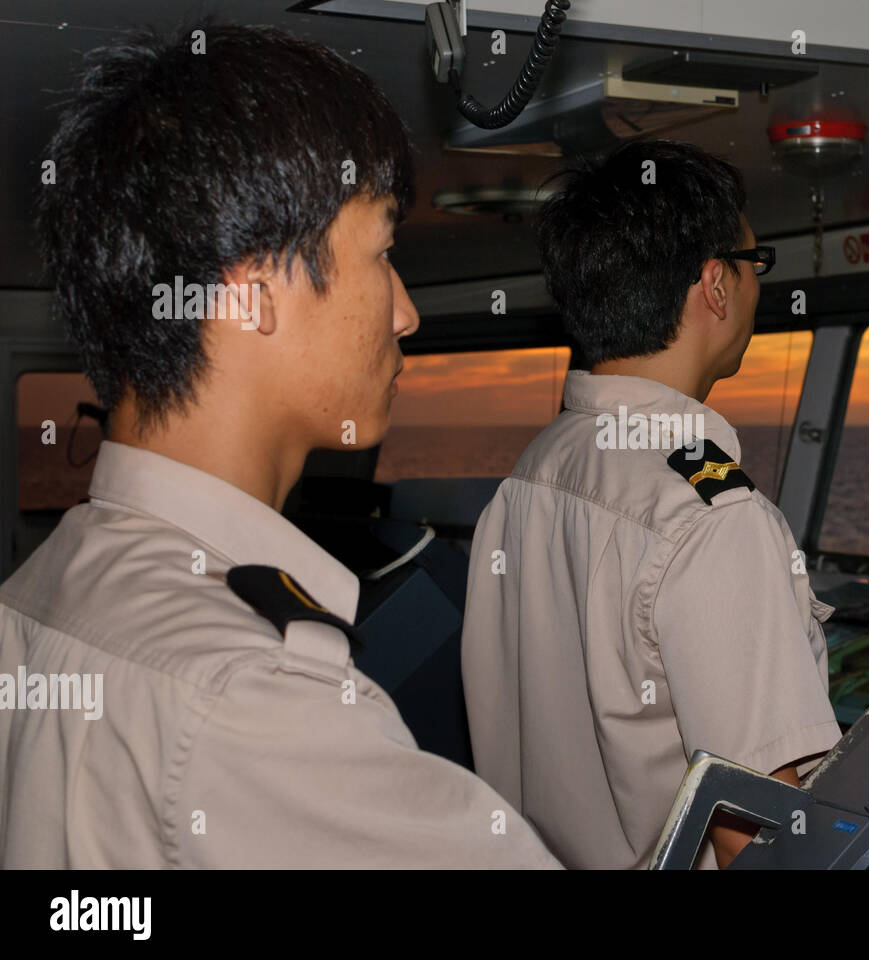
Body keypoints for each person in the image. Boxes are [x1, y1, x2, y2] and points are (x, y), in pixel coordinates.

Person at [0, 22, 559, 869]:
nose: (405, 312)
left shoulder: (34, 596)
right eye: (382, 251)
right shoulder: (257, 706)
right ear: (255, 296)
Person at [461, 139, 842, 869]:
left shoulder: (532, 474)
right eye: (754, 264)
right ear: (716, 285)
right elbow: (755, 839)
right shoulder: (712, 518)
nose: (758, 288)